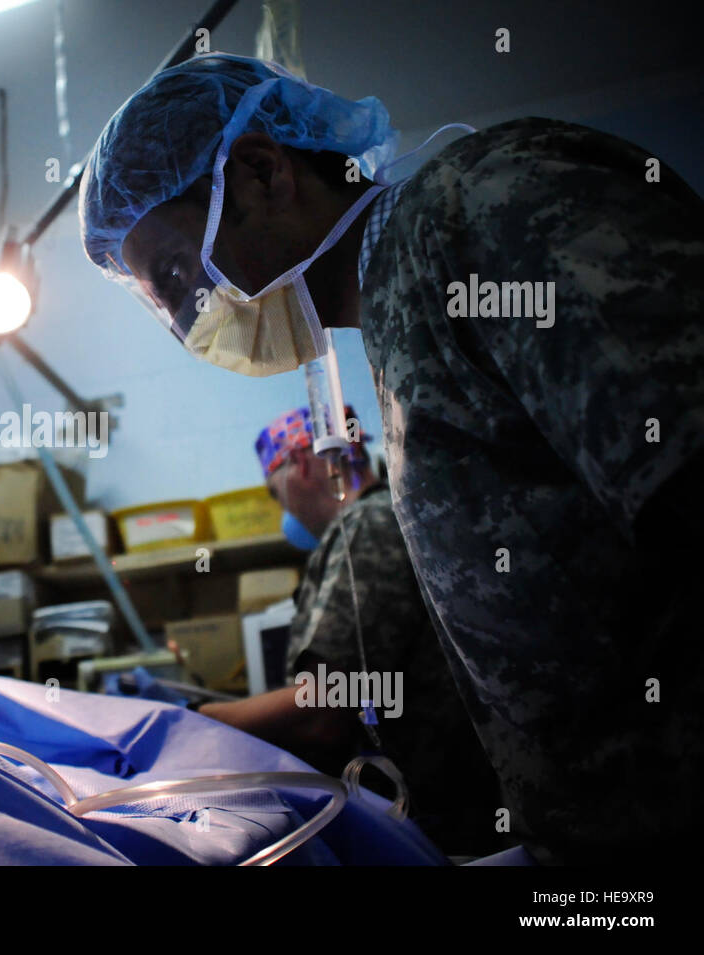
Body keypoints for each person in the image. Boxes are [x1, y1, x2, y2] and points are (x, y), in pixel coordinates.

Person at [78, 53, 703, 863]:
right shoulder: (399, 317)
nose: (188, 323)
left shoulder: (480, 207)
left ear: (265, 172)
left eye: (175, 274)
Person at [200, 407, 505, 857]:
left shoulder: (367, 524)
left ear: (301, 463)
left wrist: (198, 720)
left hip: (436, 830)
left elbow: (323, 708)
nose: (280, 508)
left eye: (273, 491)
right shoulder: (387, 518)